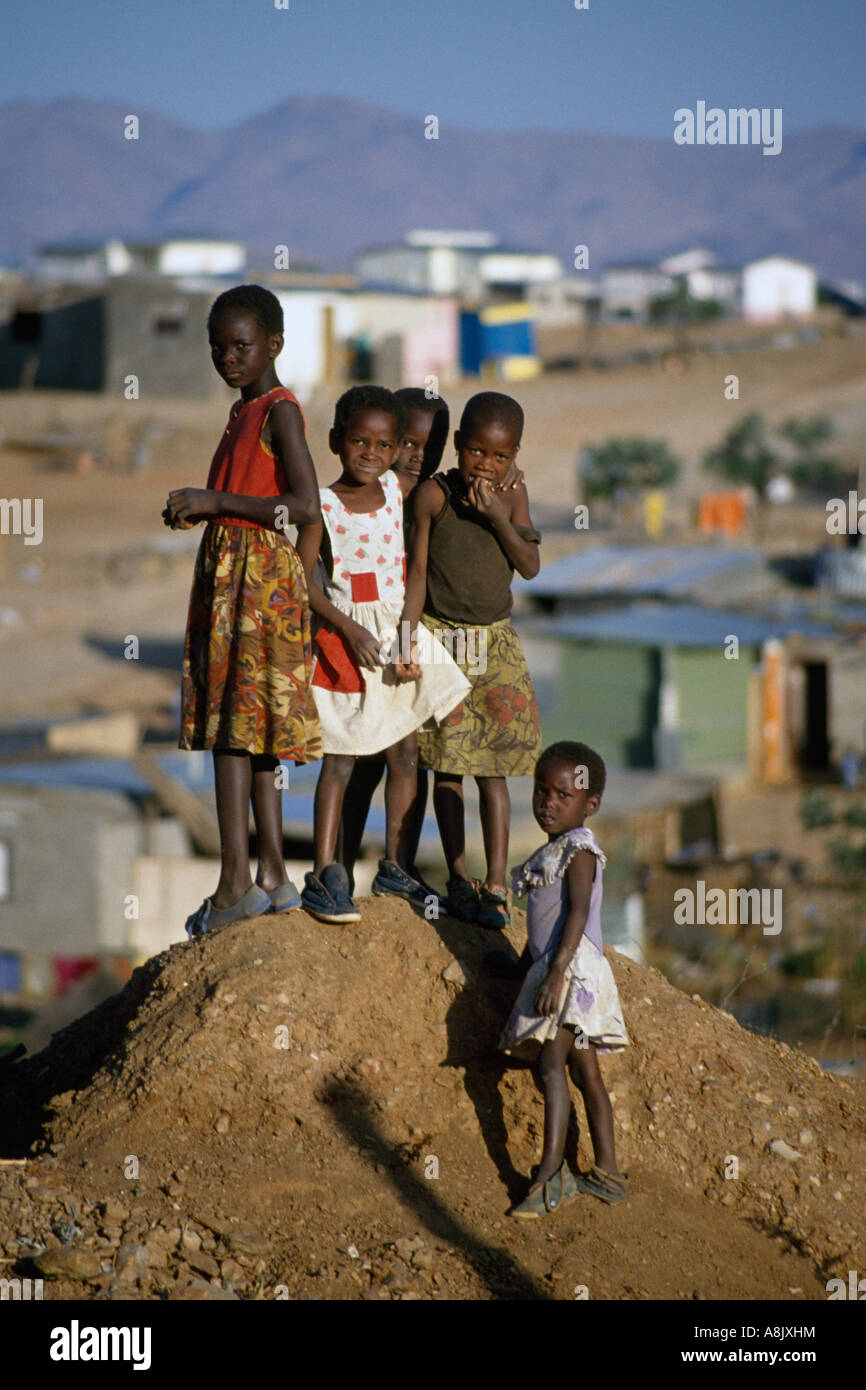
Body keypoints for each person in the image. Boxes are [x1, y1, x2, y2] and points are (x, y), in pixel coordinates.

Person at [163, 284, 322, 937]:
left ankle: (233, 885)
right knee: (248, 731)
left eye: (241, 346)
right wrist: (202, 507)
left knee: (233, 731)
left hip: (257, 581)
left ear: (274, 346)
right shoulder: (244, 411)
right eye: (217, 347)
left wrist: (214, 501)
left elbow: (304, 505)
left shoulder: (280, 411)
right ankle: (273, 876)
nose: (227, 357)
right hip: (236, 576)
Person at [296, 385, 468, 924]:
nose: (370, 452)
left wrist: (409, 633)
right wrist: (348, 628)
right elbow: (305, 584)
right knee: (341, 756)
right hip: (350, 635)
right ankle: (325, 873)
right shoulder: (320, 505)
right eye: (358, 441)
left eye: (383, 444)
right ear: (335, 442)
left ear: (395, 450)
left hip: (399, 629)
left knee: (406, 750)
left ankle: (396, 864)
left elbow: (414, 570)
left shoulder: (398, 492)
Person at [400, 390, 542, 929]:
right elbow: (416, 571)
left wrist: (498, 517)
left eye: (500, 456)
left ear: (515, 456)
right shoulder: (434, 497)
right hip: (442, 642)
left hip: (494, 644)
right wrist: (406, 637)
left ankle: (497, 884)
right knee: (449, 770)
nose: (487, 464)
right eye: (477, 451)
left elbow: (528, 565)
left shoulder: (513, 493)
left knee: (495, 771)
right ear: (458, 446)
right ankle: (459, 878)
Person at [500, 741, 629, 1218]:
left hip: (572, 972)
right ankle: (609, 1172)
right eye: (541, 791)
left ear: (589, 805)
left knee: (551, 1066)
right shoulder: (553, 851)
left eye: (562, 795)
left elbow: (575, 915)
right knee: (585, 1070)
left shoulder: (579, 851)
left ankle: (549, 1176)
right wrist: (522, 967)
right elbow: (544, 926)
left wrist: (554, 974)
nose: (548, 803)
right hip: (563, 967)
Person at [339, 387, 449, 897]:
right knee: (359, 757)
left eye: (431, 444)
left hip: (407, 639)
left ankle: (397, 865)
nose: (416, 454)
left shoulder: (429, 498)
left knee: (407, 751)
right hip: (362, 636)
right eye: (406, 441)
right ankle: (335, 867)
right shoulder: (366, 495)